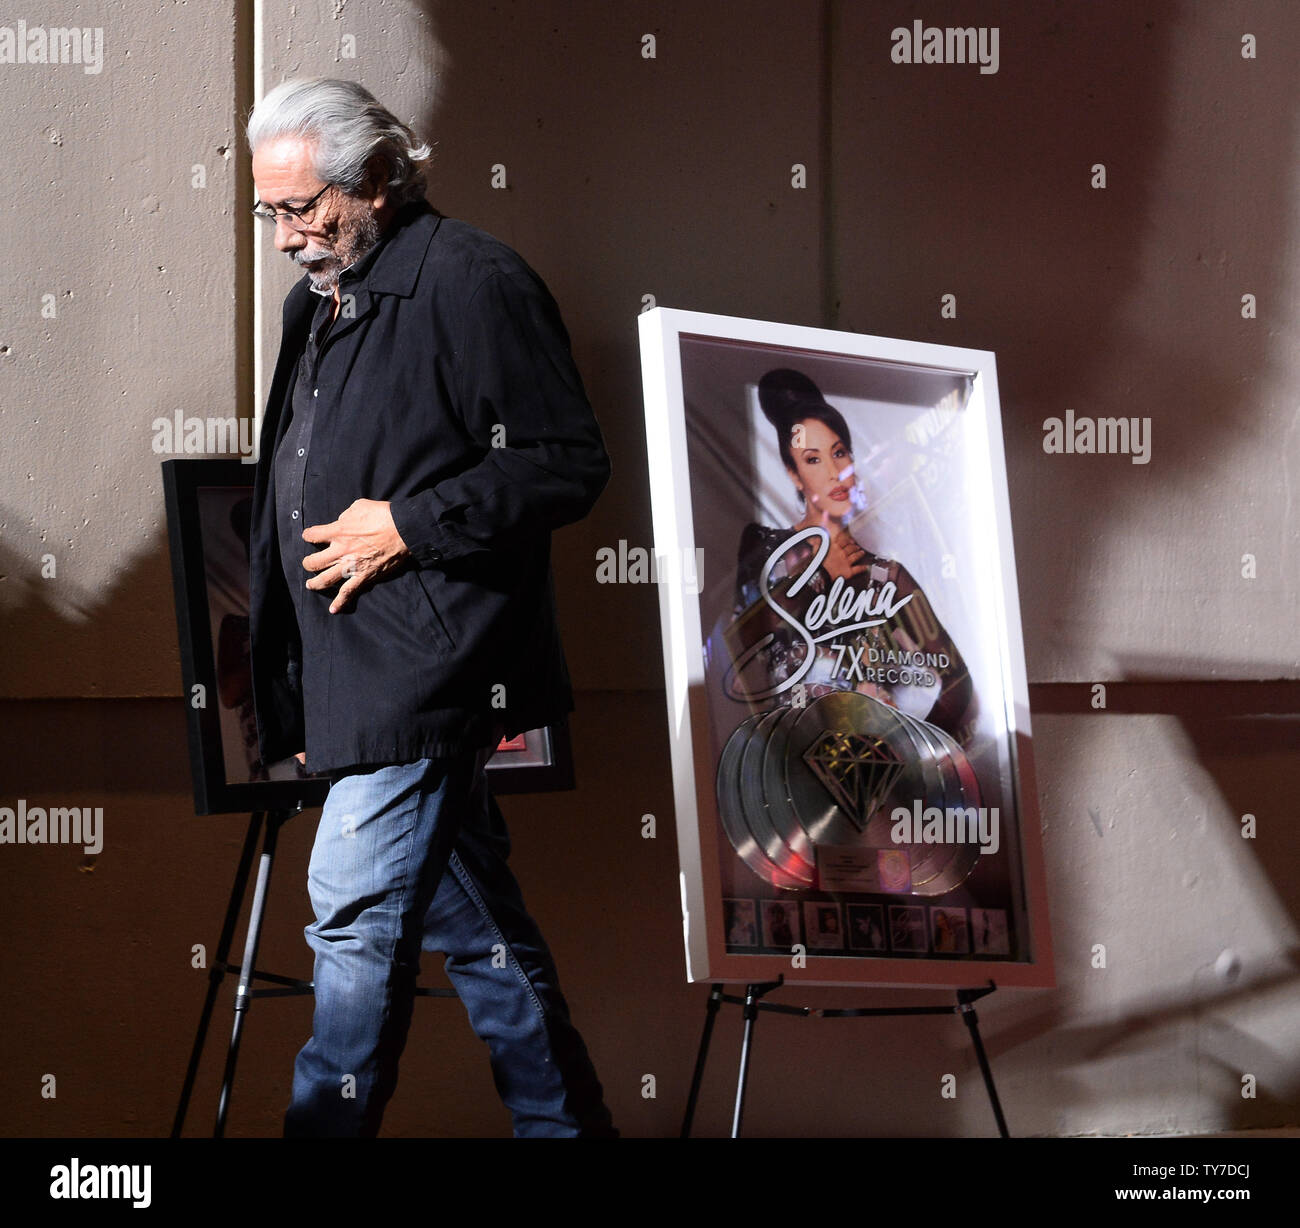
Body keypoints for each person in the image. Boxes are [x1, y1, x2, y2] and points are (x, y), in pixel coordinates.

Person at [245, 78, 616, 1137]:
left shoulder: (474, 282)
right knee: (481, 928)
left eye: (301, 208)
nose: (284, 237)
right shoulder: (311, 298)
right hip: (351, 676)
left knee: (353, 920)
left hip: (431, 672)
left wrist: (408, 523)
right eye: (268, 212)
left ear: (373, 179)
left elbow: (565, 465)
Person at [728, 368, 977, 746]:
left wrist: (896, 746)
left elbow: (957, 684)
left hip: (868, 780)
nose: (833, 473)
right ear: (794, 474)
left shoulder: (887, 576)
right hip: (787, 770)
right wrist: (821, 574)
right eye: (813, 460)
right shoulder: (763, 545)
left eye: (839, 453)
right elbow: (744, 643)